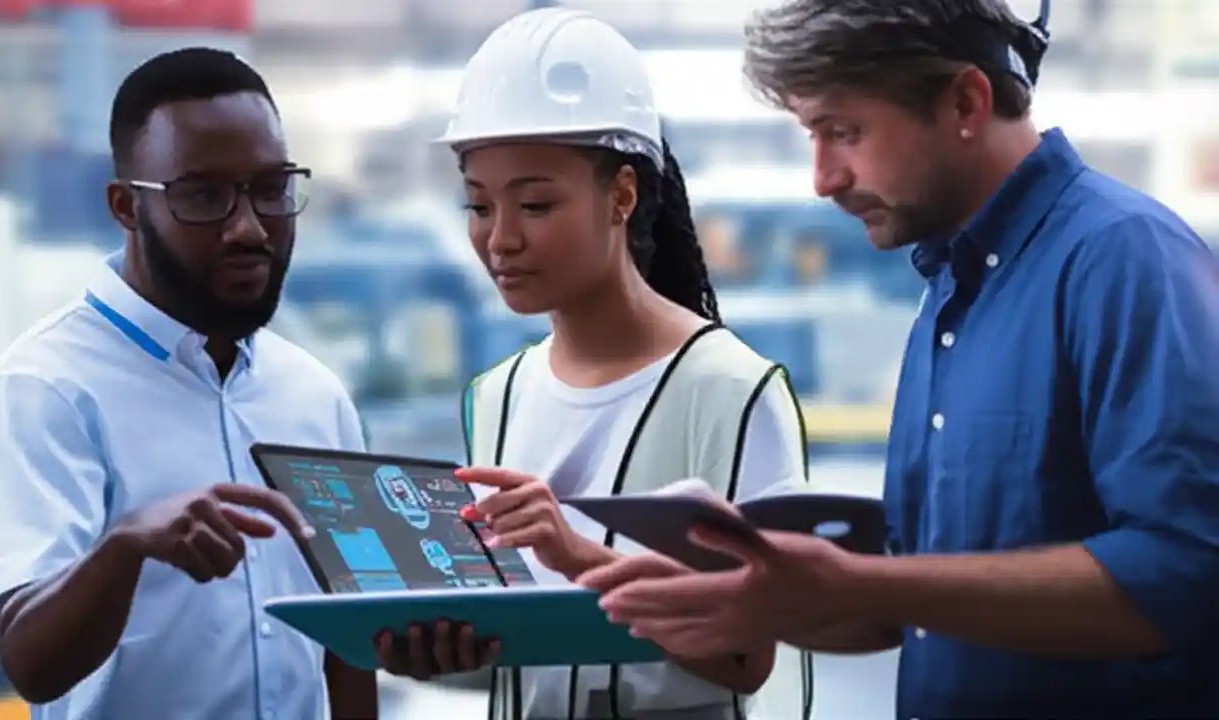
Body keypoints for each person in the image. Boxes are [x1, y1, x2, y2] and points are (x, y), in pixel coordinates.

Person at [579, 1, 1219, 718]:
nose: (823, 178)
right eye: (813, 136)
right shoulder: (949, 294)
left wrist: (862, 583)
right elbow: (910, 607)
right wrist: (746, 588)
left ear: (966, 102)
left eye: (843, 132)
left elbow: (1187, 572)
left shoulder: (1123, 260)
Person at [372, 8, 811, 720]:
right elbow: (537, 659)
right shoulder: (498, 395)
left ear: (623, 196)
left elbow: (746, 657)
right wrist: (441, 651)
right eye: (478, 206)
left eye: (535, 204)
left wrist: (577, 555)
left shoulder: (730, 389)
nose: (500, 239)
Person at [0, 47, 377, 720]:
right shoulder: (46, 388)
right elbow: (32, 665)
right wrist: (126, 547)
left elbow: (347, 638)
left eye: (271, 188)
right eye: (203, 196)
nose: (248, 227)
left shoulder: (314, 393)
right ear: (126, 206)